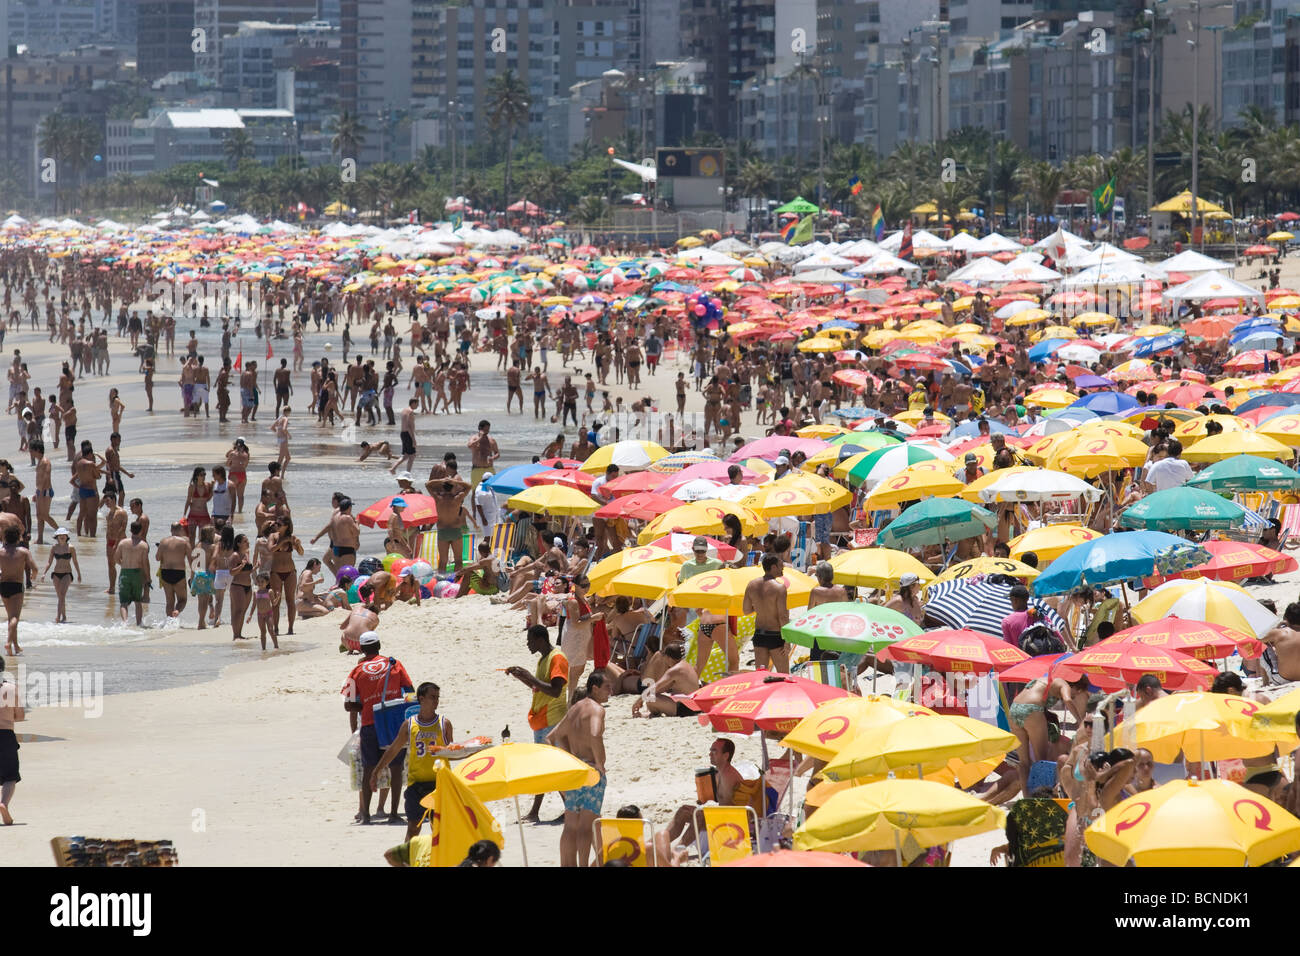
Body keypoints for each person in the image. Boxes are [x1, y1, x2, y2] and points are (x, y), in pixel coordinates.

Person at [342, 633, 413, 825]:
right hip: (393, 724)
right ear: (380, 645)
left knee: (368, 769)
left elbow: (349, 705)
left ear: (362, 649)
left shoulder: (356, 671)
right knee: (396, 768)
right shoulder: (394, 664)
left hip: (369, 723)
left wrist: (367, 704)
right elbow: (411, 694)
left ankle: (365, 815)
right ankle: (393, 814)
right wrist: (396, 704)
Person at [372, 681, 453, 840]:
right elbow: (394, 749)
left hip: (440, 783)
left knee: (439, 829)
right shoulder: (409, 725)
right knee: (413, 828)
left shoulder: (445, 723)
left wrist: (473, 751)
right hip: (416, 785)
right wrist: (376, 771)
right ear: (421, 699)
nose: (436, 701)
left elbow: (453, 751)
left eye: (437, 697)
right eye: (432, 697)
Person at [505, 623, 568, 822]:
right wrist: (522, 676)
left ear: (540, 639)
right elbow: (539, 687)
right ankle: (543, 811)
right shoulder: (544, 659)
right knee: (545, 767)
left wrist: (530, 677)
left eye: (530, 640)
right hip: (542, 721)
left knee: (552, 768)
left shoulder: (556, 658)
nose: (528, 644)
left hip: (553, 720)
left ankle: (568, 810)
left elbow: (555, 690)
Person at [546, 671, 611, 866]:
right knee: (586, 825)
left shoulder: (574, 709)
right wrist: (599, 763)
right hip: (591, 772)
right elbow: (594, 733)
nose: (611, 690)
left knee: (570, 826)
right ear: (595, 688)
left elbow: (551, 737)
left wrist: (569, 760)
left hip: (575, 773)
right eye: (607, 686)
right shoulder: (596, 709)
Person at [743, 553, 791, 673]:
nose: (783, 569)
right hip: (776, 635)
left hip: (759, 635)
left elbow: (746, 610)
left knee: (761, 677)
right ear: (773, 567)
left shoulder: (751, 584)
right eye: (781, 566)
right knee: (783, 676)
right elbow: (783, 616)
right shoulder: (779, 588)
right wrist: (787, 640)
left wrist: (760, 607)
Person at [629, 643, 701, 716]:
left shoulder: (675, 670)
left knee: (649, 698)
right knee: (654, 696)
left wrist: (638, 701)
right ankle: (653, 713)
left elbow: (655, 687)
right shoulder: (686, 665)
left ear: (668, 657)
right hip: (695, 705)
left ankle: (652, 714)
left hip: (686, 709)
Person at [40, 528, 80, 624]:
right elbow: (49, 562)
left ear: (67, 536)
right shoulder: (54, 547)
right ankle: (64, 617)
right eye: (60, 535)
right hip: (56, 574)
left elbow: (75, 561)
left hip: (67, 574)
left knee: (62, 595)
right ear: (57, 537)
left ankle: (57, 617)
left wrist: (79, 574)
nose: (62, 536)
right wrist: (44, 573)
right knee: (60, 597)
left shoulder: (71, 547)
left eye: (64, 535)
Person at [114, 520, 150, 626]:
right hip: (137, 573)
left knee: (123, 602)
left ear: (130, 530)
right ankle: (139, 624)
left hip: (125, 572)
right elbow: (145, 564)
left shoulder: (123, 542)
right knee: (138, 601)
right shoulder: (144, 545)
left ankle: (125, 623)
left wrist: (123, 565)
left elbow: (116, 558)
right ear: (141, 531)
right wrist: (148, 578)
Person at [0, 654, 22, 824]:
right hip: (6, 734)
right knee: (10, 776)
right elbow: (20, 716)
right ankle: (4, 804)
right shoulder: (11, 688)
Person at [155, 522, 190, 619]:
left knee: (169, 602)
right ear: (181, 530)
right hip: (179, 573)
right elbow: (192, 560)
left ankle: (169, 622)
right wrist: (193, 575)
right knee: (182, 600)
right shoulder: (184, 542)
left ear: (171, 530)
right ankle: (177, 611)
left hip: (165, 572)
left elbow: (157, 558)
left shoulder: (163, 541)